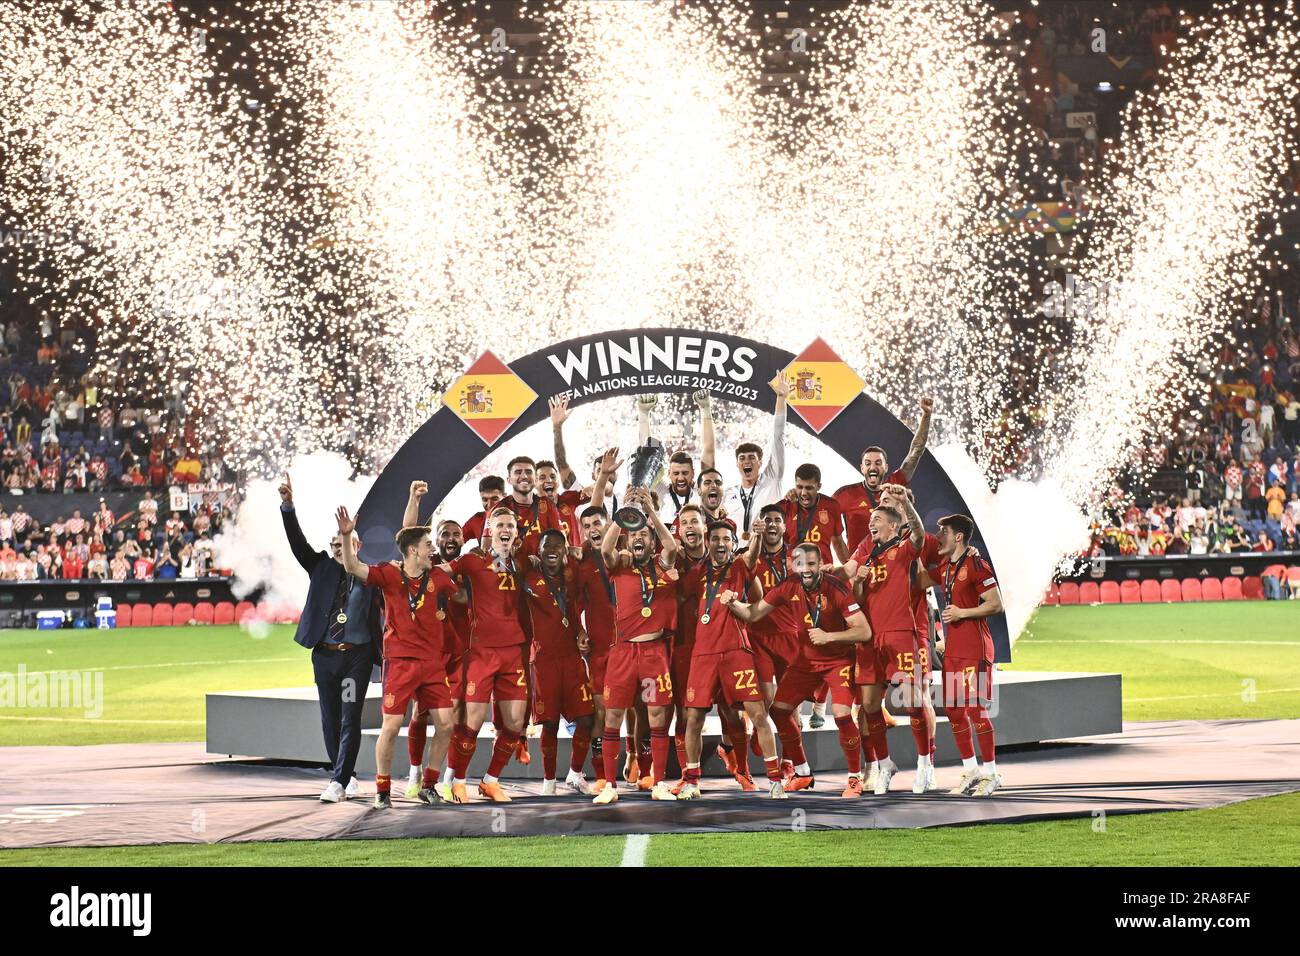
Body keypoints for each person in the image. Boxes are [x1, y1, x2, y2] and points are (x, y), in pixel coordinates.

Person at [722, 543, 870, 797]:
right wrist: (733, 603)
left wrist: (829, 637)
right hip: (805, 662)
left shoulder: (837, 588)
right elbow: (755, 614)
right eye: (801, 564)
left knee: (843, 715)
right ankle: (802, 772)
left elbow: (864, 631)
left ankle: (855, 778)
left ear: (821, 563)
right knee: (779, 711)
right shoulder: (788, 585)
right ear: (793, 564)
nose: (806, 569)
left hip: (838, 661)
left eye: (812, 564)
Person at [337, 507, 458, 809]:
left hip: (432, 662)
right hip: (401, 661)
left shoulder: (439, 578)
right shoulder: (389, 574)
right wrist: (347, 533)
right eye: (428, 546)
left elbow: (463, 593)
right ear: (414, 551)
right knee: (390, 727)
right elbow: (353, 567)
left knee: (446, 724)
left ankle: (428, 785)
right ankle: (382, 790)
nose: (433, 550)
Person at [279, 475, 381, 803]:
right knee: (330, 717)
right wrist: (288, 506)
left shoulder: (370, 576)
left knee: (350, 715)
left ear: (357, 546)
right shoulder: (320, 567)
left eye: (346, 544)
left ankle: (337, 781)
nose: (339, 550)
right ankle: (345, 774)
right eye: (335, 545)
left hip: (356, 657)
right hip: (325, 655)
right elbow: (297, 542)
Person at [677, 521, 787, 800]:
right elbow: (680, 592)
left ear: (732, 542)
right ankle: (691, 781)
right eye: (715, 538)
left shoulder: (739, 566)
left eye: (727, 538)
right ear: (708, 541)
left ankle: (774, 780)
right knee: (694, 719)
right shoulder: (698, 571)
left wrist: (758, 536)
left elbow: (751, 557)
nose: (721, 543)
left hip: (736, 652)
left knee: (758, 715)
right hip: (702, 654)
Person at [592, 487, 681, 803]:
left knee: (658, 718)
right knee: (612, 717)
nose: (639, 537)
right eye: (634, 534)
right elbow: (605, 548)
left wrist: (651, 515)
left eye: (645, 533)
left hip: (654, 654)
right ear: (627, 540)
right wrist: (625, 512)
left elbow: (670, 545)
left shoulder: (662, 564)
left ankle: (658, 783)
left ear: (651, 539)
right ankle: (610, 786)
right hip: (623, 653)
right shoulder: (620, 564)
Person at [445, 508, 534, 803]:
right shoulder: (471, 561)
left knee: (514, 722)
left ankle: (490, 780)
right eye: (500, 525)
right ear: (490, 531)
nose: (506, 529)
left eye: (511, 525)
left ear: (516, 533)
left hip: (514, 652)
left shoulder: (522, 563)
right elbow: (441, 572)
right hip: (481, 652)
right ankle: (457, 781)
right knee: (471, 721)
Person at [926, 514, 1004, 797]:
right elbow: (920, 576)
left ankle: (992, 774)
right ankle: (971, 771)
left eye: (942, 531)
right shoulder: (947, 566)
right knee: (956, 713)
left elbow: (996, 604)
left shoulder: (976, 564)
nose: (938, 536)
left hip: (975, 648)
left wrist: (962, 613)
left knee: (976, 711)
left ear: (958, 536)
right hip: (954, 650)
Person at [524, 529, 597, 795]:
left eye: (558, 546)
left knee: (587, 718)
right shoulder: (528, 576)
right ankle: (548, 781)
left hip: (572, 658)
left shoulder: (570, 576)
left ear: (565, 551)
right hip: (544, 661)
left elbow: (573, 611)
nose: (552, 550)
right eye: (547, 546)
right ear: (539, 551)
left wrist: (580, 631)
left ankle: (575, 774)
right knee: (550, 724)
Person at [832, 397, 933, 550]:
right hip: (860, 568)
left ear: (886, 467)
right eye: (868, 464)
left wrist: (926, 416)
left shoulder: (895, 484)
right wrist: (848, 564)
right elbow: (831, 532)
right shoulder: (845, 495)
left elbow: (915, 451)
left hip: (893, 564)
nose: (873, 467)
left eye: (878, 463)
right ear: (862, 468)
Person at [722, 375, 790, 539]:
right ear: (737, 464)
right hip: (737, 558)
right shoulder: (727, 494)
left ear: (760, 462)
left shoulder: (771, 479)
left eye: (752, 457)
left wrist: (781, 399)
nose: (747, 461)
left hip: (766, 553)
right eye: (742, 458)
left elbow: (777, 437)